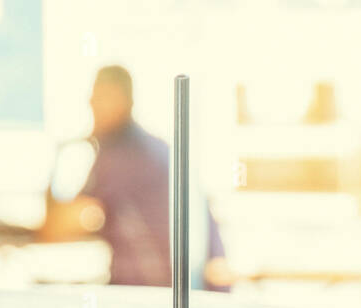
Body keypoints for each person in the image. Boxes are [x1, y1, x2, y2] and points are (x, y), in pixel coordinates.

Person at [44, 65, 229, 288]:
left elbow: (55, 229)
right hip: (185, 293)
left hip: (156, 296)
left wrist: (58, 153)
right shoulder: (148, 147)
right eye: (92, 97)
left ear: (125, 102)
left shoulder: (123, 156)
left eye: (101, 97)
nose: (92, 104)